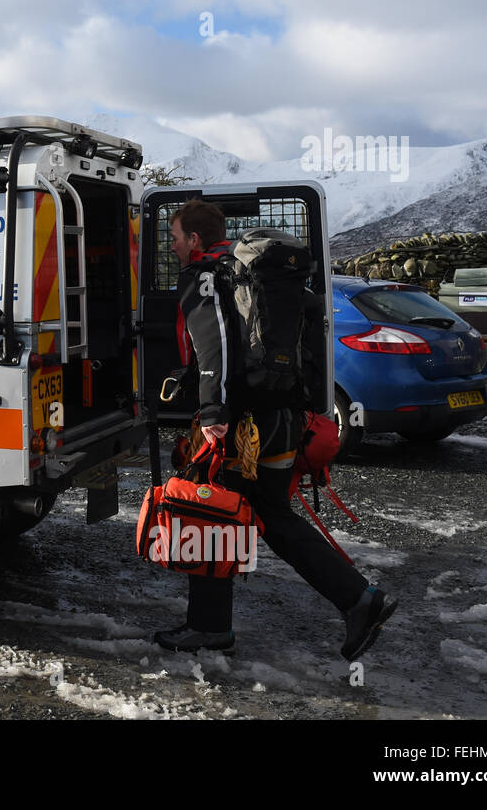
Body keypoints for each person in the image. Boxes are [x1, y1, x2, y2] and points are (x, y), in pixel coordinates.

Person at [154, 198, 396, 660]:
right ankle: (359, 600)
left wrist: (212, 413)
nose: (174, 245)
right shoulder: (253, 275)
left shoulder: (206, 277)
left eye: (175, 237)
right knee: (271, 514)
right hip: (280, 416)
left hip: (238, 426)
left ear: (195, 239)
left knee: (210, 511)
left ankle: (209, 628)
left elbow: (215, 346)